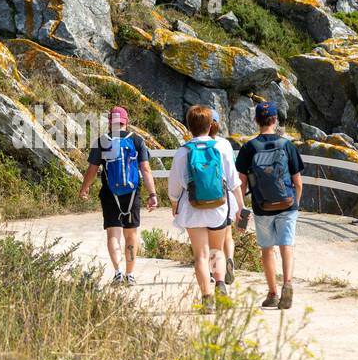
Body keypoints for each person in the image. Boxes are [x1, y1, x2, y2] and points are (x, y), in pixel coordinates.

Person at [168, 104, 243, 312]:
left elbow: (174, 184)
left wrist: (174, 203)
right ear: (211, 126)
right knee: (217, 250)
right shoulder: (219, 148)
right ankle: (220, 284)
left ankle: (207, 299)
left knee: (200, 255)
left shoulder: (182, 152)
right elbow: (233, 180)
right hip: (218, 207)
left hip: (192, 208)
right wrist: (240, 207)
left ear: (189, 127)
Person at [235, 102, 305, 310]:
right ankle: (288, 284)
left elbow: (241, 182)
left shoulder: (249, 148)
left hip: (261, 206)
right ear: (275, 120)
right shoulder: (287, 145)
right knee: (287, 246)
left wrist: (242, 207)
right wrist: (295, 204)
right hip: (287, 204)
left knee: (267, 249)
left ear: (256, 121)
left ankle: (273, 293)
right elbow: (298, 182)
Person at [78, 106, 158, 286]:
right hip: (132, 193)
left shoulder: (102, 141)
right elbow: (145, 169)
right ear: (125, 121)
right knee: (131, 235)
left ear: (109, 122)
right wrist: (152, 194)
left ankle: (118, 272)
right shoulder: (137, 140)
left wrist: (84, 188)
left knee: (113, 234)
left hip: (109, 193)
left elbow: (92, 169)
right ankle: (130, 274)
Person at [208, 109, 241, 285]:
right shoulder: (225, 144)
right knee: (227, 235)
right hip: (226, 196)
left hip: (203, 197)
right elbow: (232, 174)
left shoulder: (194, 144)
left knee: (211, 240)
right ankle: (230, 261)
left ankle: (215, 271)